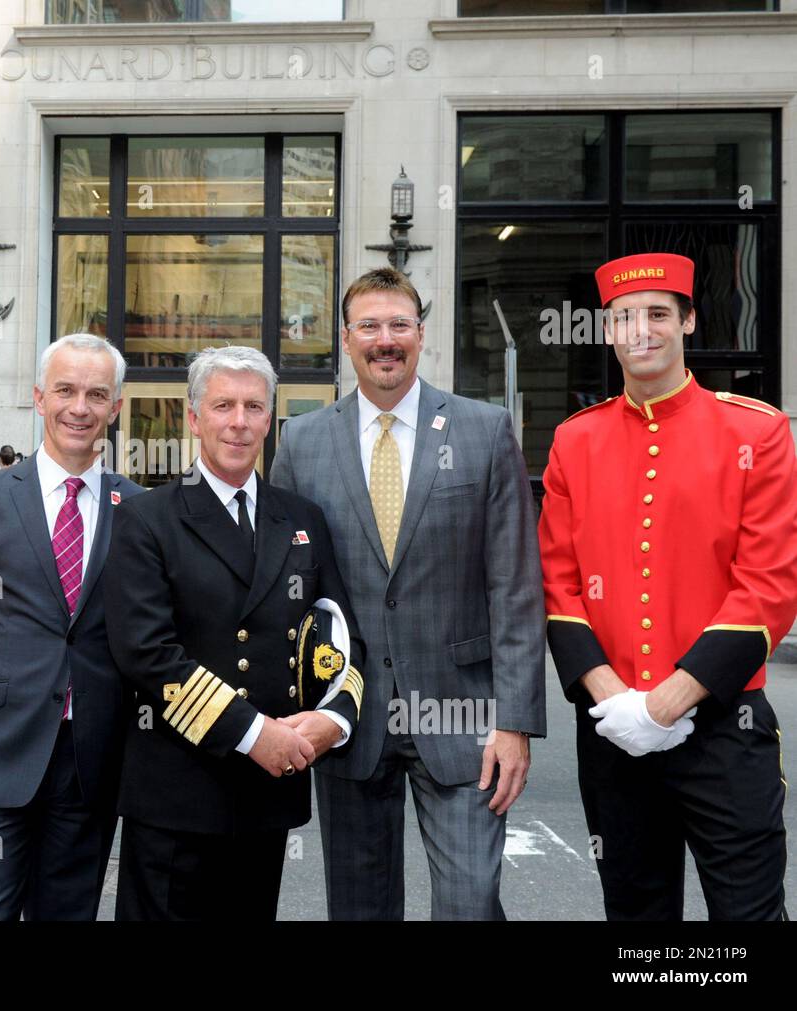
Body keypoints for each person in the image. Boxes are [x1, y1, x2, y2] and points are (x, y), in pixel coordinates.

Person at [269, 267, 544, 921]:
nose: (384, 338)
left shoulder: (484, 430)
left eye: (399, 324)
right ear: (346, 338)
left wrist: (515, 721)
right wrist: (286, 708)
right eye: (369, 325)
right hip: (349, 716)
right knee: (359, 908)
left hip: (462, 715)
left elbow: (514, 583)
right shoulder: (302, 442)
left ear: (421, 335)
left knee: (470, 900)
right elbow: (285, 587)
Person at [539, 252, 797, 921]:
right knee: (637, 919)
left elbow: (767, 585)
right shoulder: (575, 440)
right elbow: (558, 583)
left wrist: (668, 702)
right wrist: (614, 700)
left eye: (657, 313)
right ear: (607, 331)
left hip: (722, 726)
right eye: (624, 317)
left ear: (687, 319)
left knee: (749, 917)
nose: (640, 329)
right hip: (614, 730)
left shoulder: (757, 431)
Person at [105, 346, 364, 922]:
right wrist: (254, 735)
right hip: (178, 790)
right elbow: (147, 654)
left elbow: (340, 636)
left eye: (253, 406)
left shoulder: (301, 519)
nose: (239, 422)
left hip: (267, 791)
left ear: (271, 420)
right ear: (193, 419)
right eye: (223, 405)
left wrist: (334, 719)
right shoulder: (148, 518)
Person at [0, 333, 143, 920]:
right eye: (66, 390)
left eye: (96, 394)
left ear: (115, 407)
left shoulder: (140, 511)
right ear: (38, 397)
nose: (80, 407)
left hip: (90, 759)